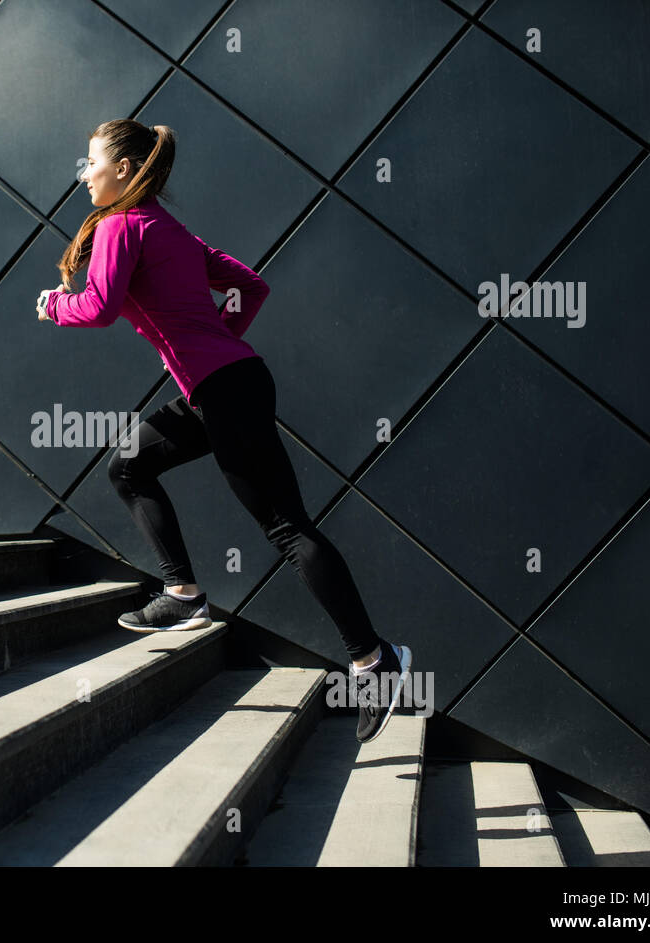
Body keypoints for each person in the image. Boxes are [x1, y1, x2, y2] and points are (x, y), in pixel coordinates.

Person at [35, 119, 411, 744]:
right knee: (127, 465)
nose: (84, 173)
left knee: (287, 529)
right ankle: (183, 594)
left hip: (223, 390)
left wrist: (53, 305)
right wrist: (215, 345)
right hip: (223, 387)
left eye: (91, 161)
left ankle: (375, 661)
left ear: (124, 169)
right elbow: (249, 286)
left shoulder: (122, 226)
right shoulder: (167, 227)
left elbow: (97, 307)